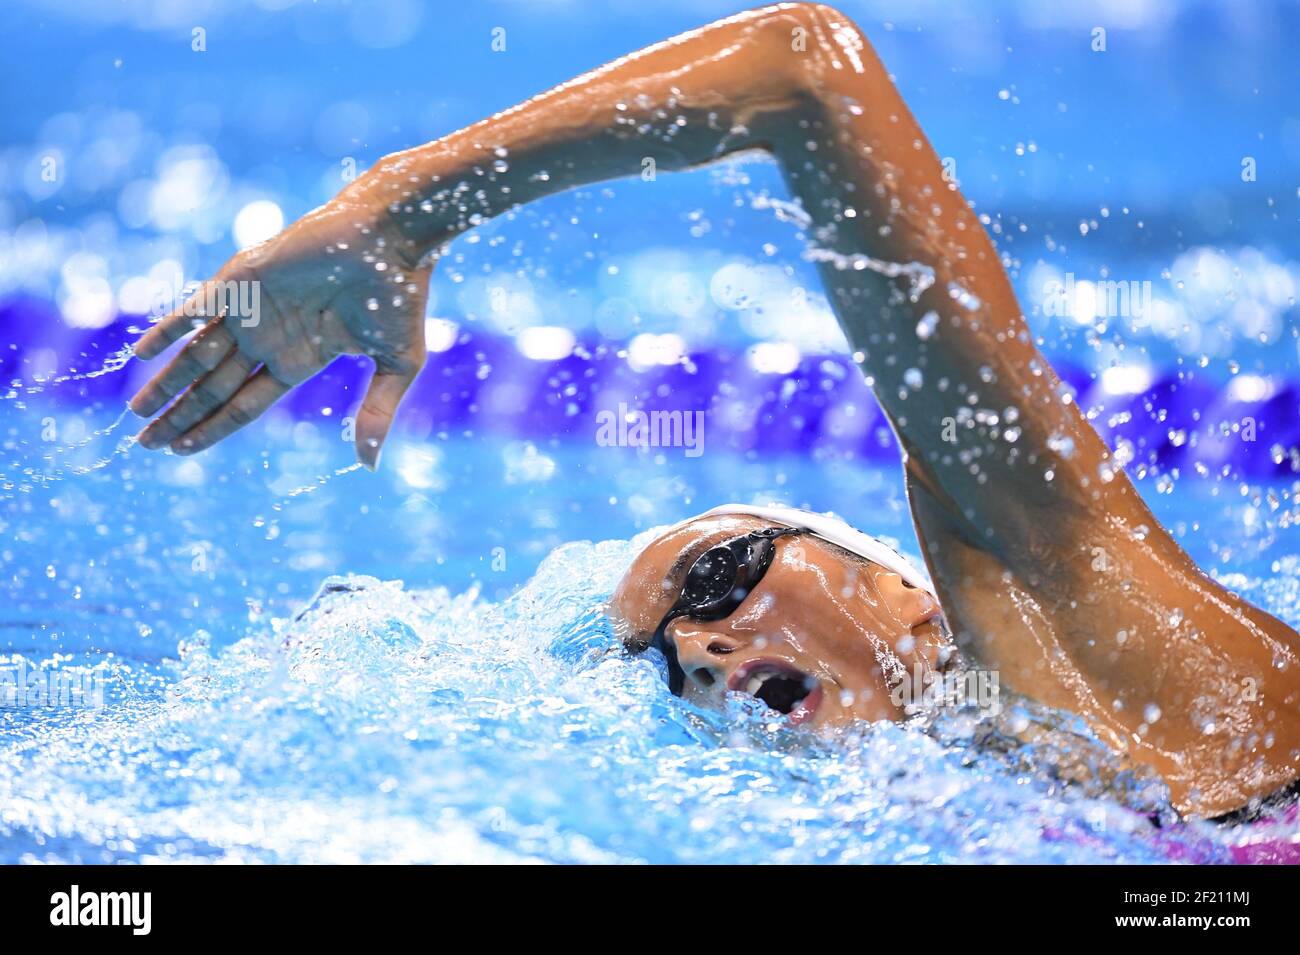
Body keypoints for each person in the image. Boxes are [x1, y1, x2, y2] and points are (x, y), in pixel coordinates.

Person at [126, 2, 1300, 819]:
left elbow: (804, 70)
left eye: (718, 575)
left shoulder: (1128, 651)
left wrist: (398, 207)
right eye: (663, 658)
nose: (696, 645)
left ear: (904, 585)